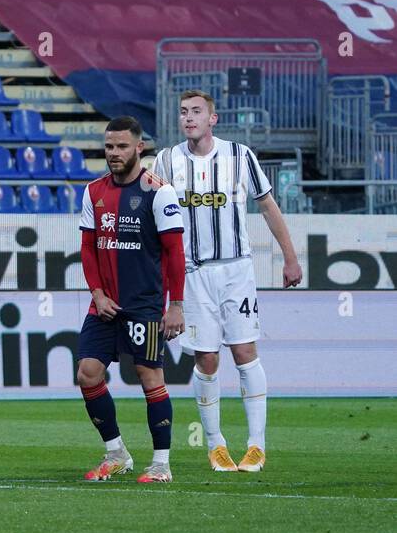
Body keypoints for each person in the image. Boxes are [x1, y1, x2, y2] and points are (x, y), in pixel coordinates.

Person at [151, 89, 303, 473]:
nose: (189, 118)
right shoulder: (166, 161)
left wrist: (290, 256)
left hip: (236, 269)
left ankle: (257, 446)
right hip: (191, 272)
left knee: (245, 353)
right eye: (184, 112)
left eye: (197, 112)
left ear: (212, 118)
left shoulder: (240, 155)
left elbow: (267, 205)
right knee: (206, 357)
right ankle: (217, 446)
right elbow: (155, 220)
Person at [76, 117, 186, 483]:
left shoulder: (159, 191)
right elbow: (88, 249)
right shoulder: (93, 191)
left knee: (149, 376)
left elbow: (174, 254)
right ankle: (116, 452)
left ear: (139, 147)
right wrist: (97, 293)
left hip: (144, 303)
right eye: (109, 146)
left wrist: (175, 305)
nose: (114, 153)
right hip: (104, 303)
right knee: (87, 373)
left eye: (121, 146)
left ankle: (161, 464)